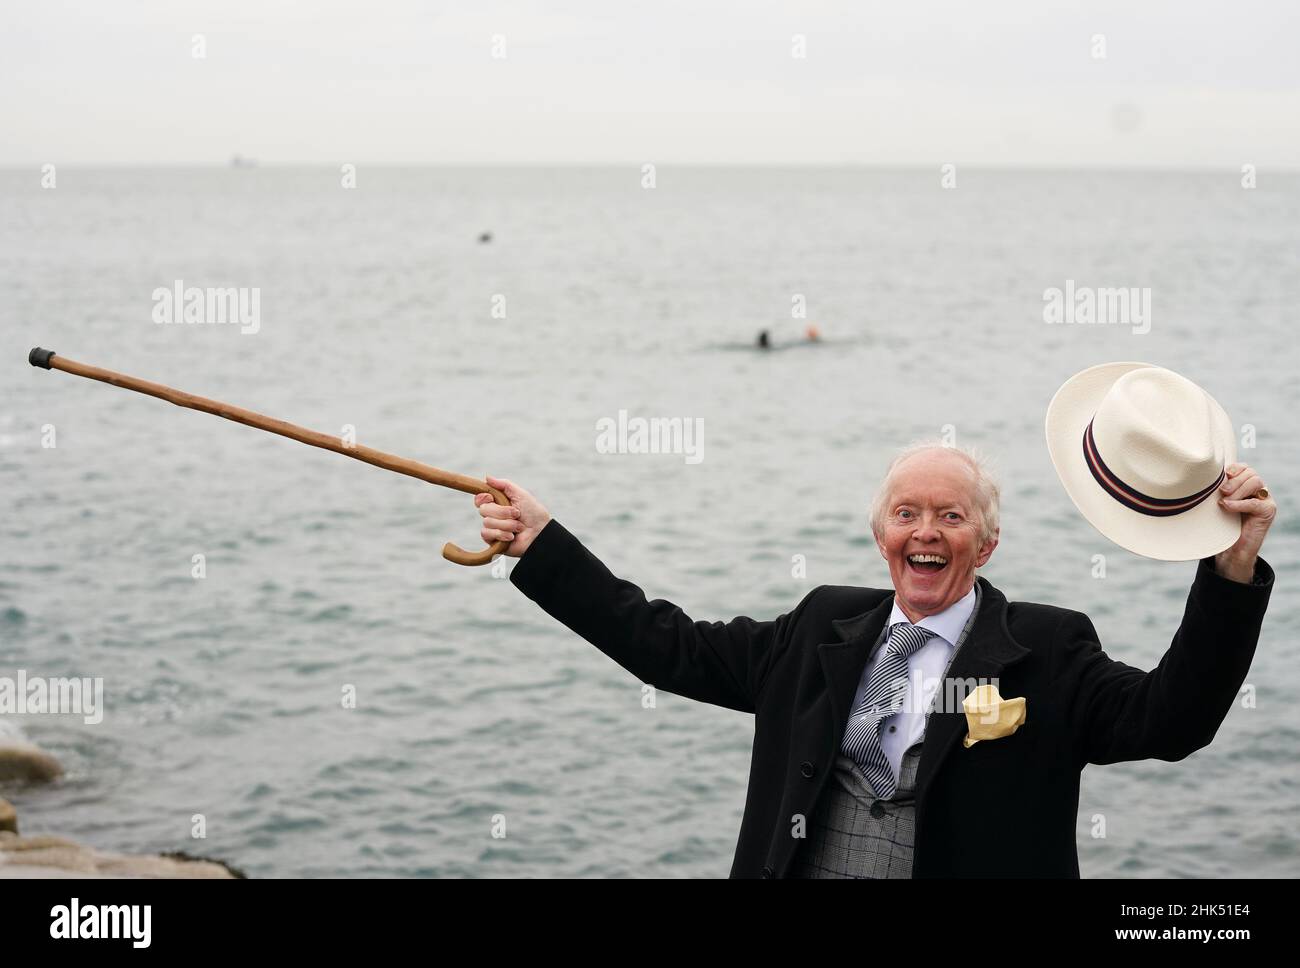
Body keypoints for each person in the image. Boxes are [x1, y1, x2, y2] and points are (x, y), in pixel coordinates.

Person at [470, 367, 1274, 877]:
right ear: (879, 535)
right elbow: (664, 645)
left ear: (987, 543)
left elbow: (1174, 718)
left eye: (951, 516)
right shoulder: (821, 625)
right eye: (906, 513)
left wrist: (1229, 570)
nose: (926, 530)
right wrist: (543, 546)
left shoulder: (1051, 649)